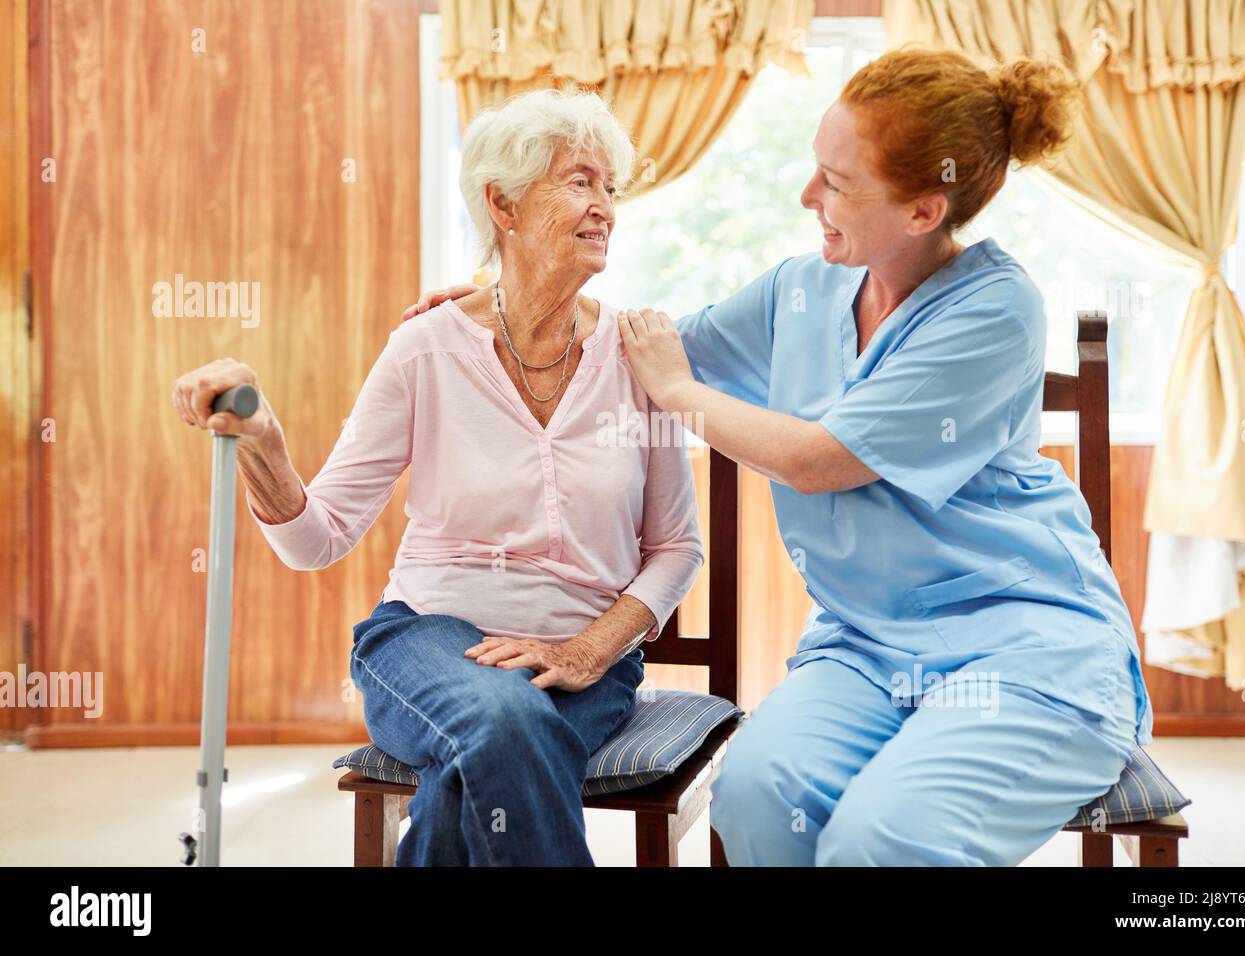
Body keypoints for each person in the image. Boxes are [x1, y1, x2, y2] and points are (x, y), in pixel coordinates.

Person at [406, 48, 1153, 866]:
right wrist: (508, 305)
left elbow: (819, 459)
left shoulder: (997, 311)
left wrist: (686, 397)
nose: (808, 197)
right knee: (758, 798)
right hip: (867, 646)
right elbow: (635, 349)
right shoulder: (804, 289)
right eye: (814, 169)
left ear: (923, 210)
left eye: (837, 182)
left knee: (885, 839)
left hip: (1022, 646)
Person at [171, 88, 704, 866]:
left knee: (483, 758)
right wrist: (263, 439)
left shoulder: (639, 355)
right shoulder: (426, 351)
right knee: (505, 722)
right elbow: (315, 542)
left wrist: (591, 650)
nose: (604, 208)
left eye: (610, 187)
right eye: (579, 181)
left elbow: (677, 548)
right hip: (423, 639)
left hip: (588, 662)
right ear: (504, 205)